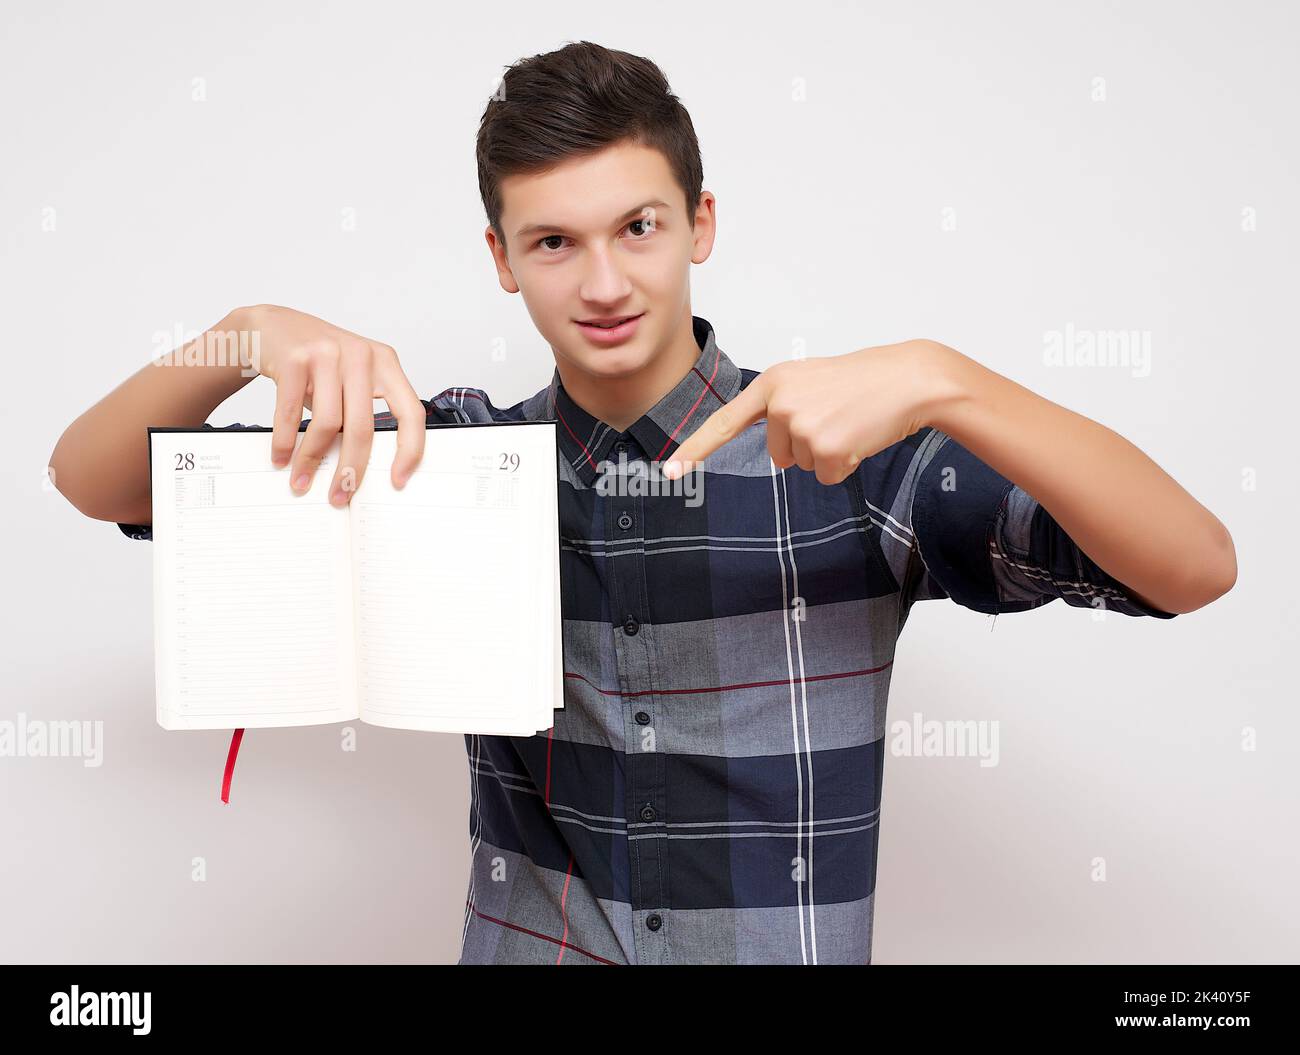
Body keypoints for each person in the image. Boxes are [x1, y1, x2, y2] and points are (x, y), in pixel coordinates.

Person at [49, 40, 1236, 965]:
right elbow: (88, 476)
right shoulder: (437, 459)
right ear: (501, 258)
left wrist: (951, 378)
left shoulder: (857, 464)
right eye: (554, 241)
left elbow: (1192, 565)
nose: (604, 281)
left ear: (699, 223)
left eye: (638, 227)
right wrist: (253, 329)